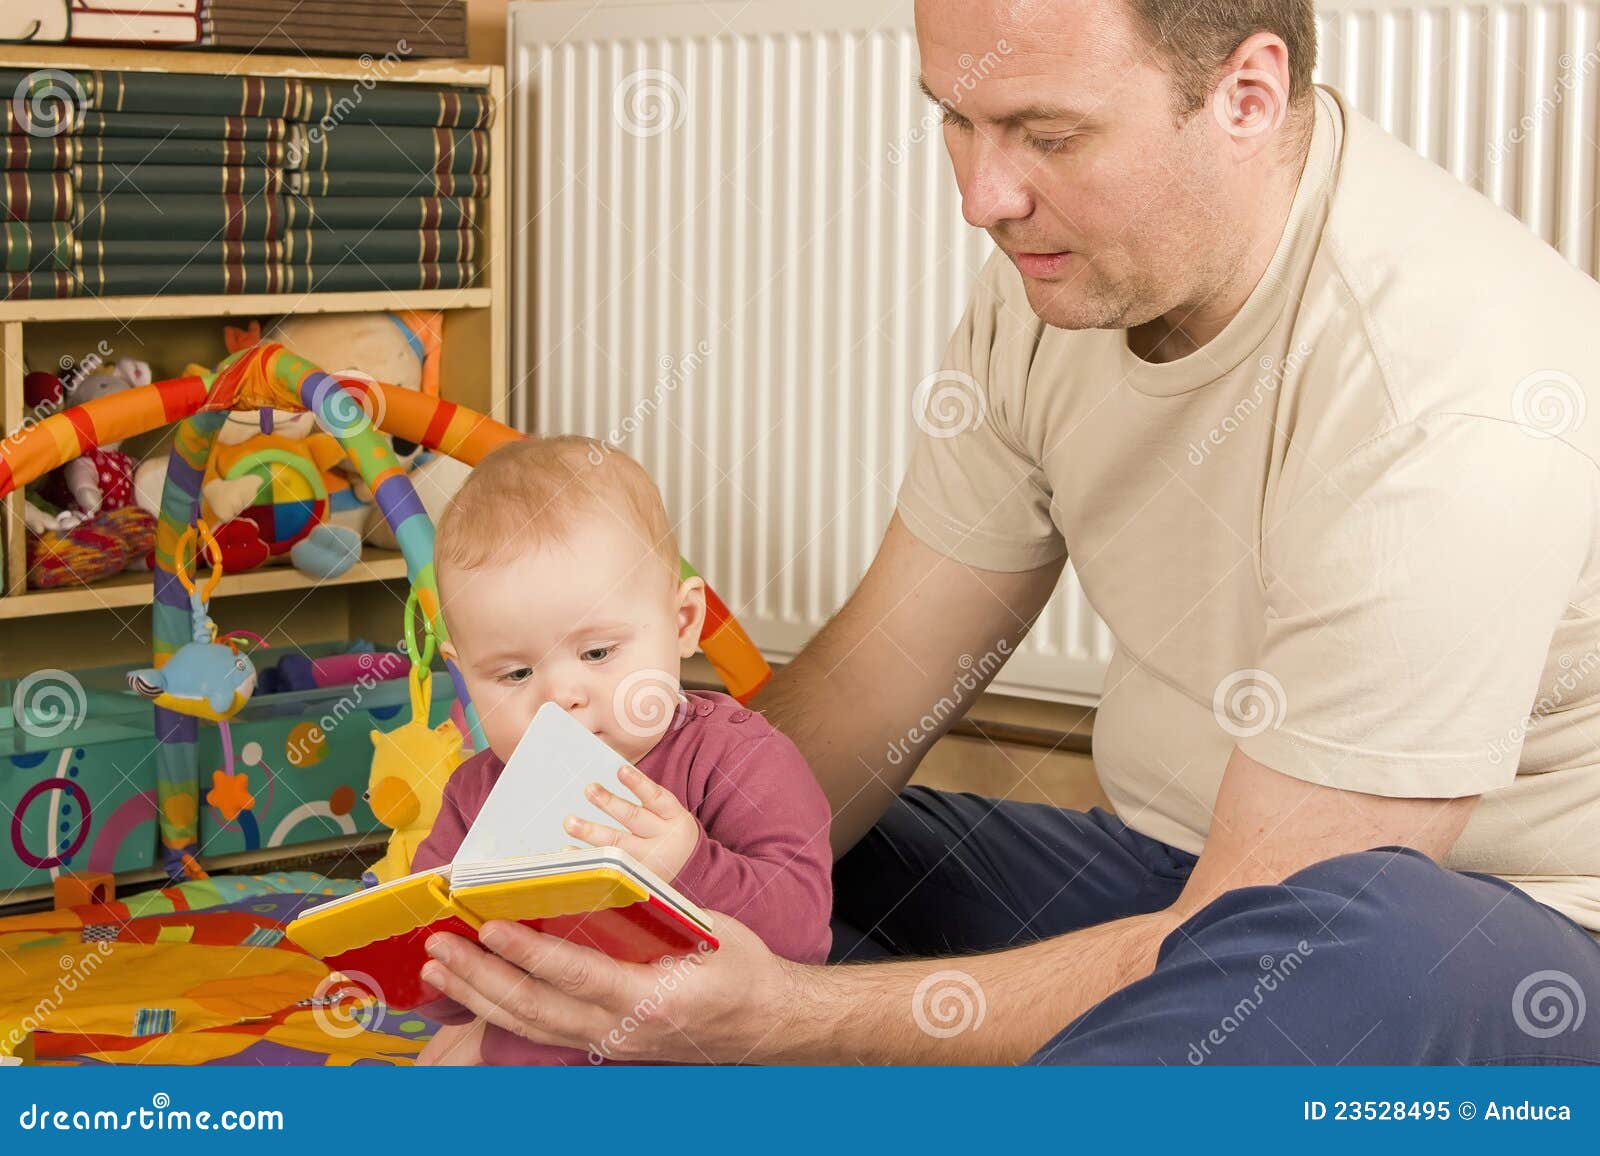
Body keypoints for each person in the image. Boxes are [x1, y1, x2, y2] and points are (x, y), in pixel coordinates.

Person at [416, 0, 1600, 1064]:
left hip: (1480, 932)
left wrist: (783, 1015)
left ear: (1246, 95)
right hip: (1171, 876)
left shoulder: (1450, 389)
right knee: (778, 830)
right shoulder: (1062, 273)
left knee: (1344, 950)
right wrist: (619, 843)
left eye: (1047, 134)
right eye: (957, 122)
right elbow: (870, 688)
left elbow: (1278, 916)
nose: (983, 197)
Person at [409, 436, 832, 1065]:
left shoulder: (739, 759)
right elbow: (441, 995)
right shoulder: (478, 794)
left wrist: (687, 864)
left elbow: (801, 942)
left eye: (598, 653)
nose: (560, 700)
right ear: (462, 672)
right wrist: (418, 958)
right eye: (515, 675)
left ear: (684, 622)